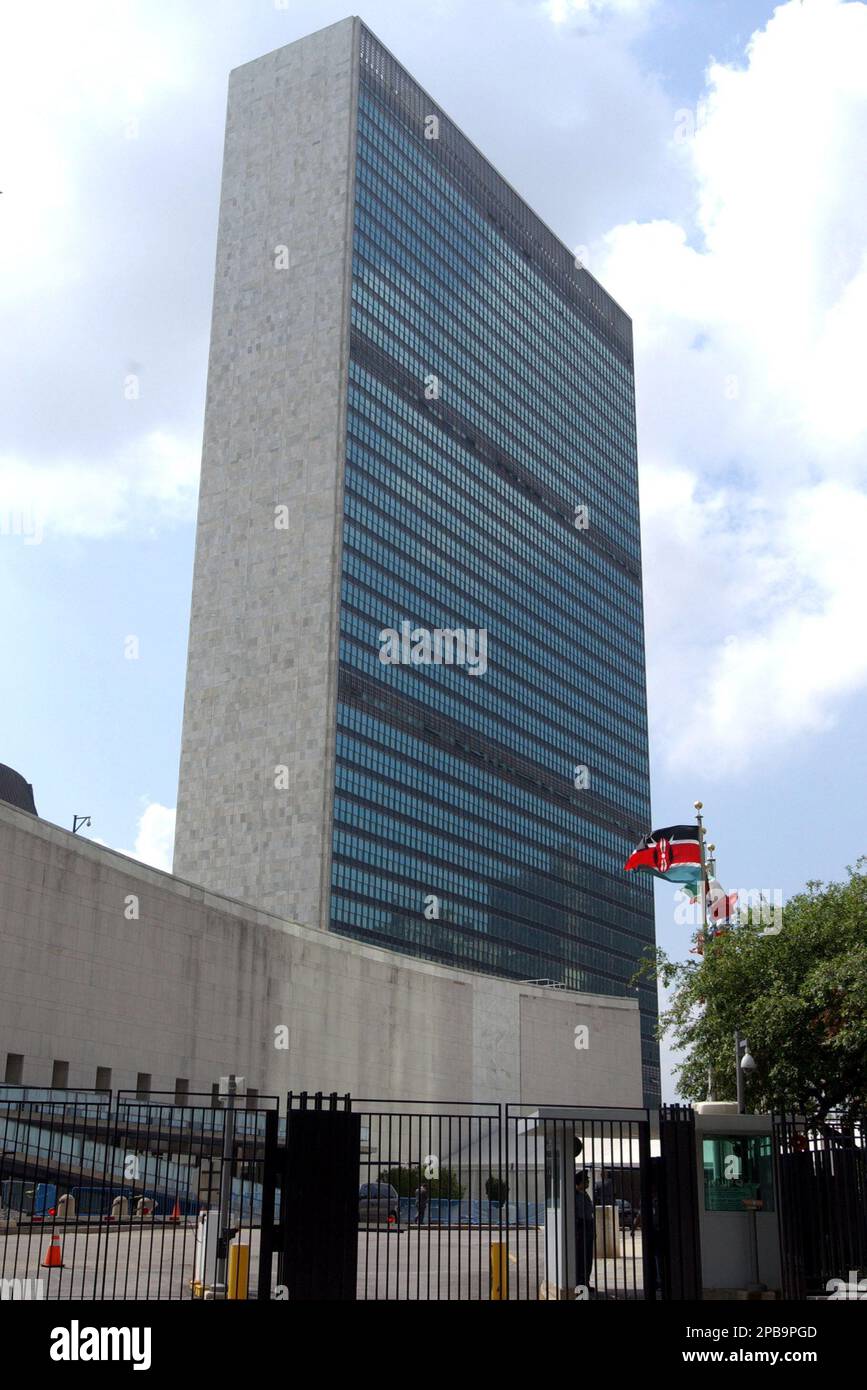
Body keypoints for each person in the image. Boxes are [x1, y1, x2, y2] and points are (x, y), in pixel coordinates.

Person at [574, 1169, 595, 1294]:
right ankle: (580, 1284)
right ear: (579, 1182)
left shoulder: (585, 1194)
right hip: (581, 1227)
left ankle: (586, 1282)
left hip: (588, 1226)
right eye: (586, 1180)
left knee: (588, 1257)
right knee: (581, 1258)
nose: (587, 1182)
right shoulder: (575, 1196)